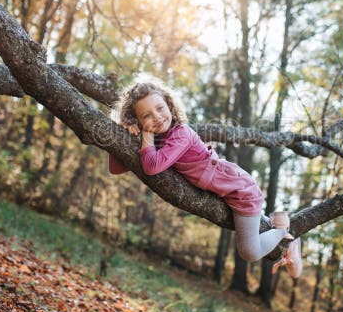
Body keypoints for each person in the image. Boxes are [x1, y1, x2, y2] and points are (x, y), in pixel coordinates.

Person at [107, 77, 302, 278]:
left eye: (160, 108)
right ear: (136, 120)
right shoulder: (157, 140)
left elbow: (152, 167)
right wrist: (125, 135)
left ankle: (284, 230)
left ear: (170, 105)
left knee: (249, 252)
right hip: (226, 190)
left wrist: (145, 134)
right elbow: (115, 168)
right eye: (146, 115)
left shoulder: (181, 133)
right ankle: (275, 222)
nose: (156, 117)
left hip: (239, 191)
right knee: (252, 240)